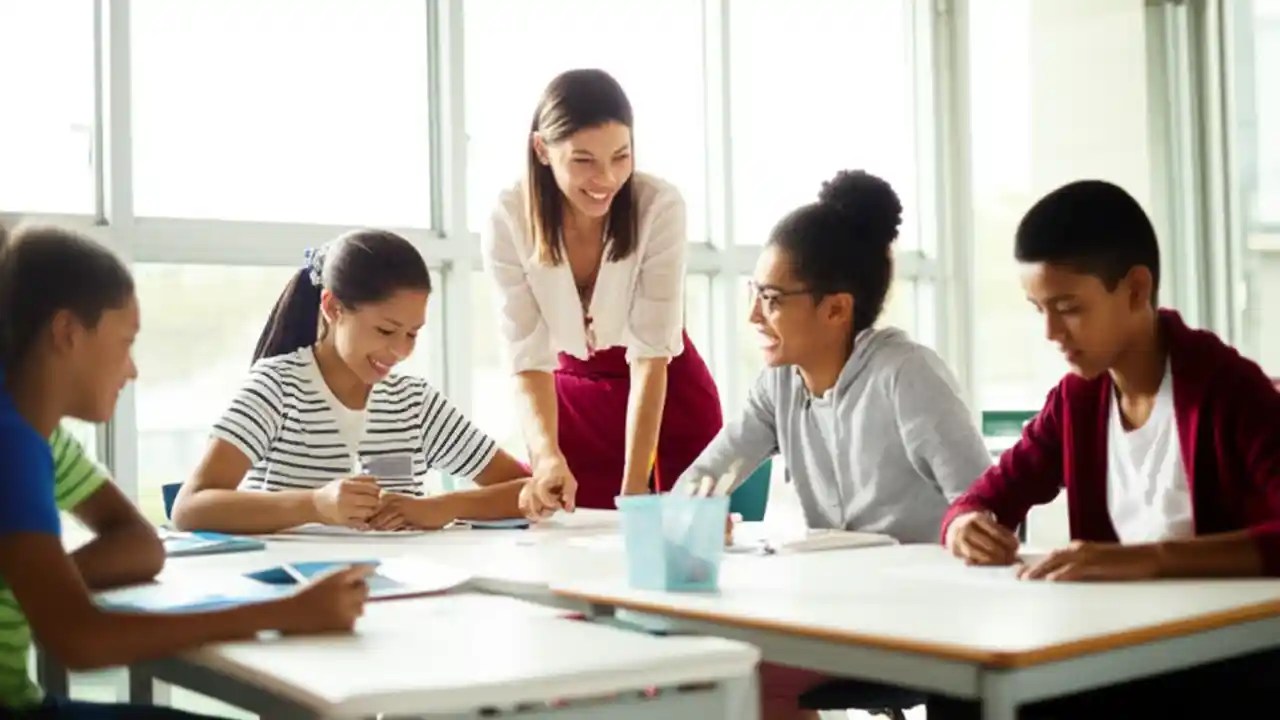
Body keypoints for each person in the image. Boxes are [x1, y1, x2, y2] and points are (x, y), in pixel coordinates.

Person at [940, 180, 1280, 717]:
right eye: (1039, 310)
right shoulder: (1077, 399)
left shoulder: (1231, 391)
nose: (1052, 331)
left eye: (1069, 307)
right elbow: (983, 498)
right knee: (961, 688)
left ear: (1136, 289)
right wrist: (965, 525)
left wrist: (1144, 562)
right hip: (1118, 651)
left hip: (1225, 662)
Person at [0, 225, 368, 719]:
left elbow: (138, 543)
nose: (131, 371)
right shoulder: (12, 443)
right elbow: (79, 641)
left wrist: (44, 588)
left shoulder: (37, 436)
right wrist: (285, 613)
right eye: (125, 342)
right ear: (68, 333)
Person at [676, 170, 991, 720]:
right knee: (712, 663)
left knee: (745, 673)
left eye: (771, 299)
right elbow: (702, 478)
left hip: (926, 620)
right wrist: (695, 512)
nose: (754, 315)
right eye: (754, 295)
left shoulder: (905, 376)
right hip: (840, 612)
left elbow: (989, 509)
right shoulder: (778, 385)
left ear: (836, 309)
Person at [174, 230, 529, 534]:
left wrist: (443, 506)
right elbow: (190, 508)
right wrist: (314, 505)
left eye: (412, 334)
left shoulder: (413, 403)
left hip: (399, 589)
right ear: (333, 308)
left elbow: (528, 489)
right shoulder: (277, 387)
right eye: (386, 330)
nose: (400, 350)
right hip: (299, 593)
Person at [482, 68, 722, 515]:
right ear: (542, 150)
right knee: (576, 553)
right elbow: (526, 357)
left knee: (677, 552)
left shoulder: (659, 207)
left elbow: (652, 357)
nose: (607, 178)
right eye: (583, 160)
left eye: (621, 156)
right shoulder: (508, 218)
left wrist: (634, 492)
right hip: (572, 406)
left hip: (666, 397)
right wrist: (548, 453)